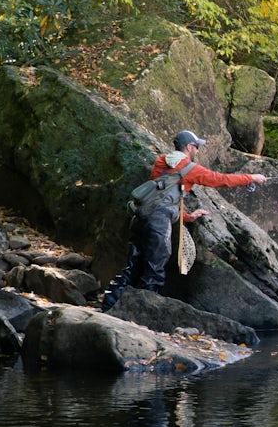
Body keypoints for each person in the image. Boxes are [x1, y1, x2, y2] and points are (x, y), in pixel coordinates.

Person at [101, 130, 267, 312]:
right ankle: (144, 312)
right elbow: (220, 180)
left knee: (134, 264)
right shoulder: (189, 168)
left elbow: (160, 197)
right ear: (188, 147)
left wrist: (188, 216)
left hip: (140, 218)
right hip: (158, 223)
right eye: (196, 147)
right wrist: (251, 178)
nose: (197, 150)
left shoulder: (161, 162)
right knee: (154, 268)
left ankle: (110, 303)